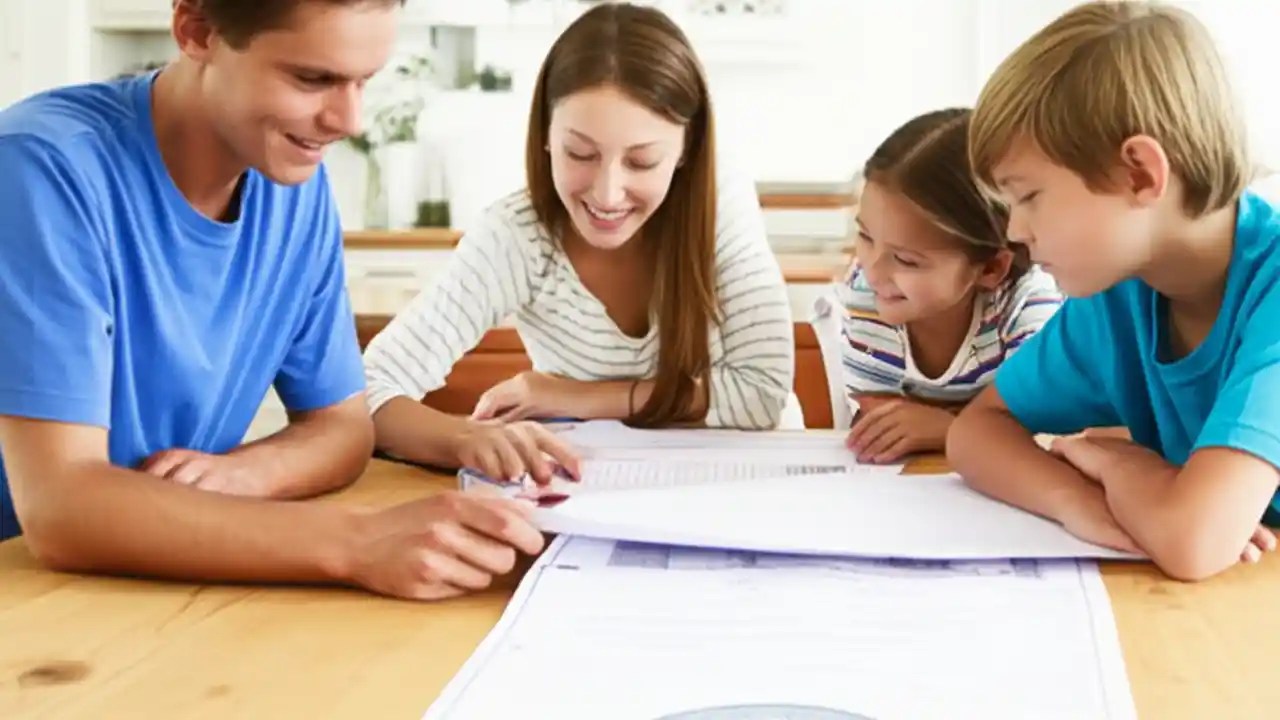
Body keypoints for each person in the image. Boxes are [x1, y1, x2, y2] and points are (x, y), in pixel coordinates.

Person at [0, 0, 542, 601]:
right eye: (313, 79)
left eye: (364, 81)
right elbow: (59, 506)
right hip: (25, 597)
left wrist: (243, 474)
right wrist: (358, 542)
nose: (349, 119)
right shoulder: (41, 171)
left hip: (148, 589)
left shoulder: (293, 189)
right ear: (197, 30)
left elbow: (342, 429)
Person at [363, 2, 797, 485]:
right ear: (546, 135)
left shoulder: (719, 204)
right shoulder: (517, 235)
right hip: (597, 495)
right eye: (581, 153)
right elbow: (369, 387)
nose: (607, 193)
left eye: (642, 162)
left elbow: (760, 394)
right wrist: (464, 438)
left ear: (685, 150)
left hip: (749, 486)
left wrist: (573, 395)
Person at [948, 0, 1280, 581]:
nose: (1015, 232)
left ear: (1140, 174)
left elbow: (1193, 542)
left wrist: (1122, 466)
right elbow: (976, 432)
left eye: (1028, 197)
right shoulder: (1120, 291)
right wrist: (1078, 502)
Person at [818, 108, 1060, 465]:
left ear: (991, 267)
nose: (873, 270)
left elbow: (1045, 431)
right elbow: (880, 419)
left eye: (907, 260)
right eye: (866, 237)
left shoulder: (1030, 307)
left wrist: (947, 430)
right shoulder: (865, 295)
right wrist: (975, 429)